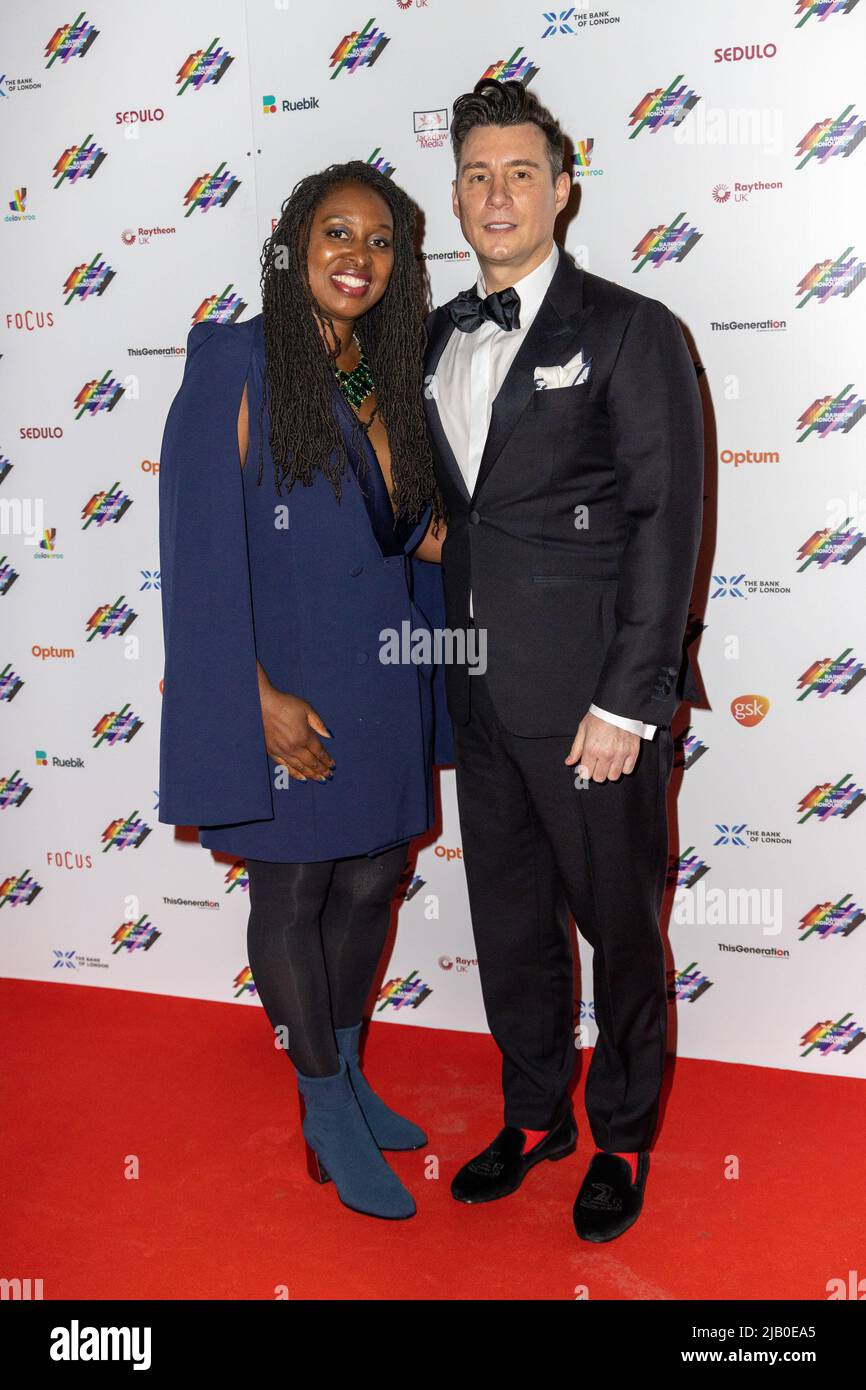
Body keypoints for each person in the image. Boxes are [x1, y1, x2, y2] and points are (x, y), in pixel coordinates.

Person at [423, 79, 704, 1241]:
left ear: (562, 188)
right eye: (478, 175)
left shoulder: (632, 329)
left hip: (593, 706)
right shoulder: (438, 333)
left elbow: (664, 521)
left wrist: (628, 703)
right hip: (478, 700)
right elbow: (461, 512)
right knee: (510, 922)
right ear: (456, 192)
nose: (498, 195)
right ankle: (535, 1112)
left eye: (520, 173)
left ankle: (623, 1136)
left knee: (620, 927)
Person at [157, 161, 452, 1221]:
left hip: (382, 670)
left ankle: (350, 1070)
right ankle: (322, 1102)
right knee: (292, 891)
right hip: (288, 677)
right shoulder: (234, 358)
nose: (358, 258)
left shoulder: (382, 374)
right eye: (336, 233)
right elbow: (195, 549)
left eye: (380, 243)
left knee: (372, 877)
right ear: (290, 246)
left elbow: (402, 525)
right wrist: (253, 696)